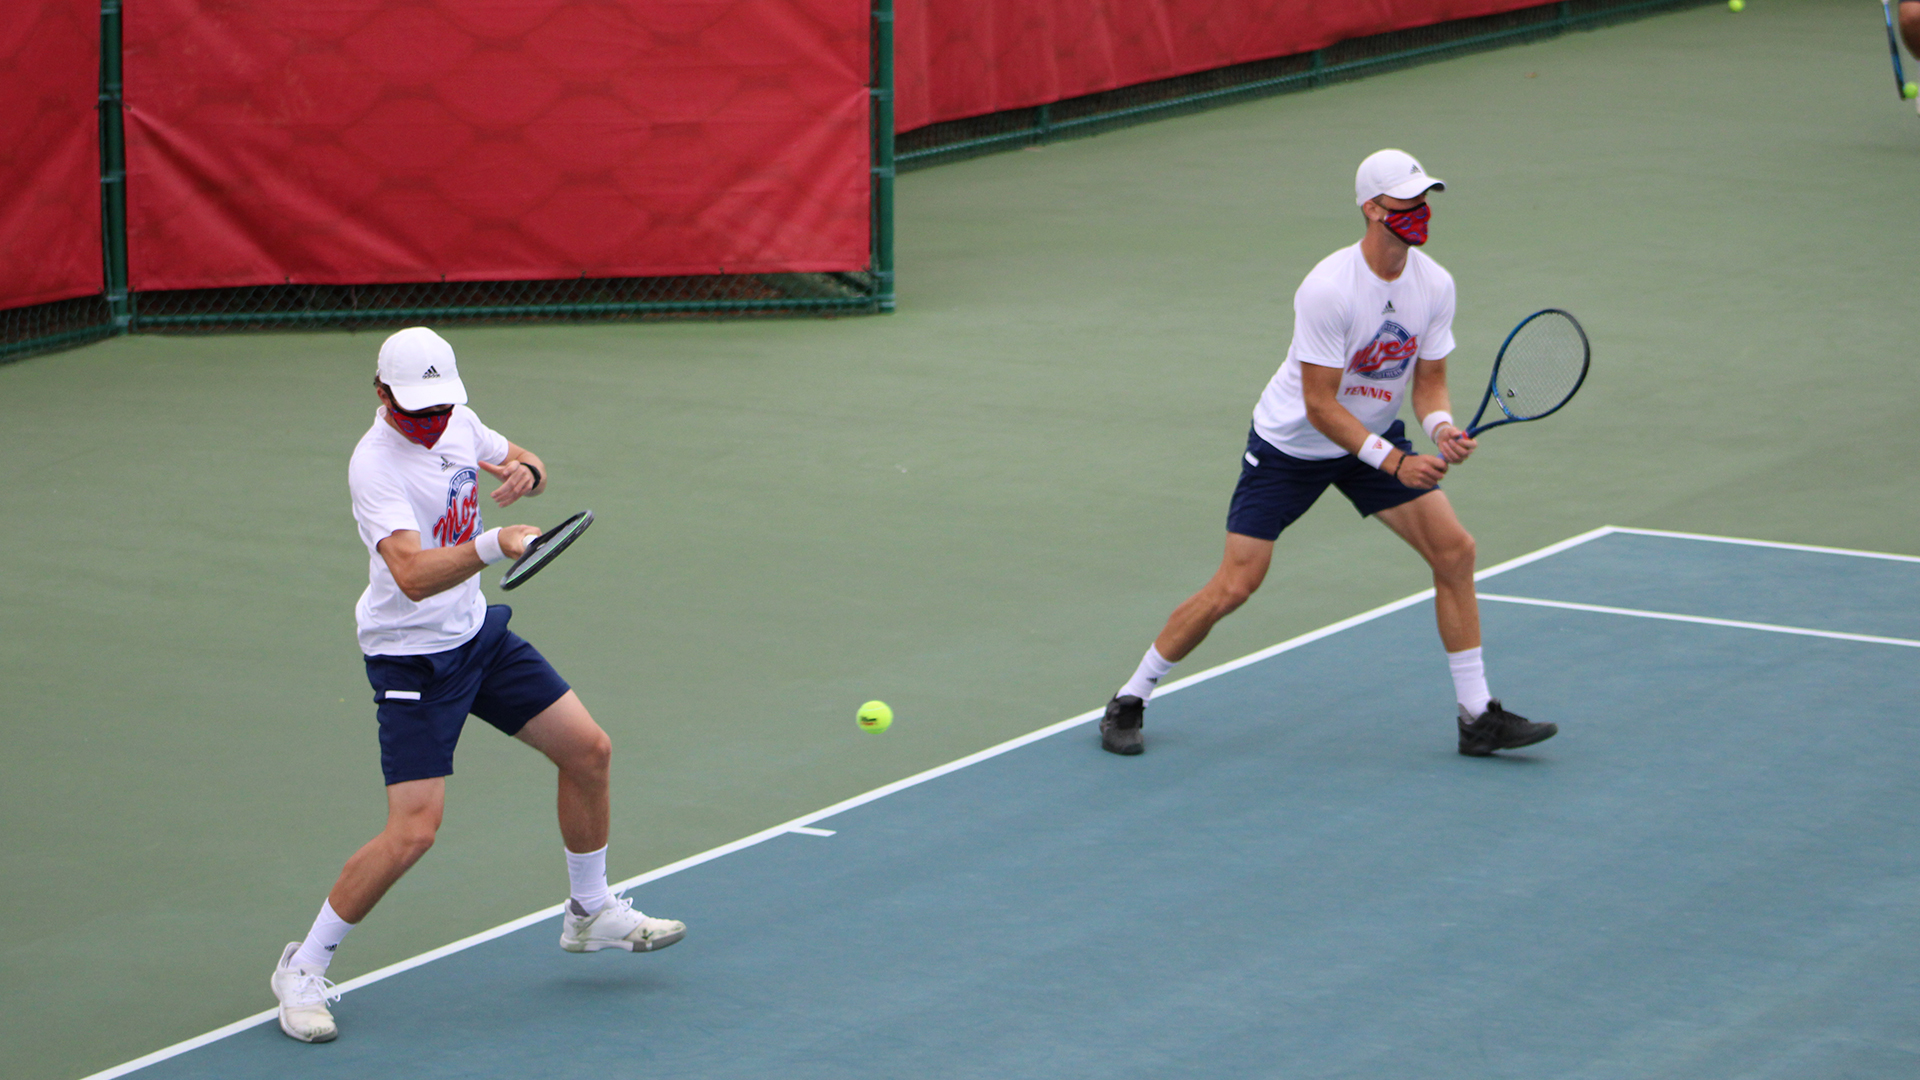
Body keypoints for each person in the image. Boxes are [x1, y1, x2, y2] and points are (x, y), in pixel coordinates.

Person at [268, 327, 684, 1044]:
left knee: (588, 751)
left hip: (477, 637)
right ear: (381, 395)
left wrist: (526, 473)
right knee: (414, 832)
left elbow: (520, 459)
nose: (431, 425)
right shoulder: (375, 466)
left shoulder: (454, 418)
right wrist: (496, 542)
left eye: (438, 411)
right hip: (412, 659)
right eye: (416, 414)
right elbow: (410, 574)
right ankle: (301, 969)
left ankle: (589, 913)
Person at [1097, 149, 1556, 760]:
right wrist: (1393, 463)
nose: (1419, 212)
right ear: (1371, 208)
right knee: (1237, 584)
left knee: (1455, 551)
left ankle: (1477, 717)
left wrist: (1441, 426)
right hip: (1290, 446)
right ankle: (1132, 695)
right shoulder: (1329, 289)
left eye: (1425, 201)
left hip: (1368, 438)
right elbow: (1319, 404)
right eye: (1406, 202)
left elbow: (1428, 382)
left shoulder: (1434, 284)